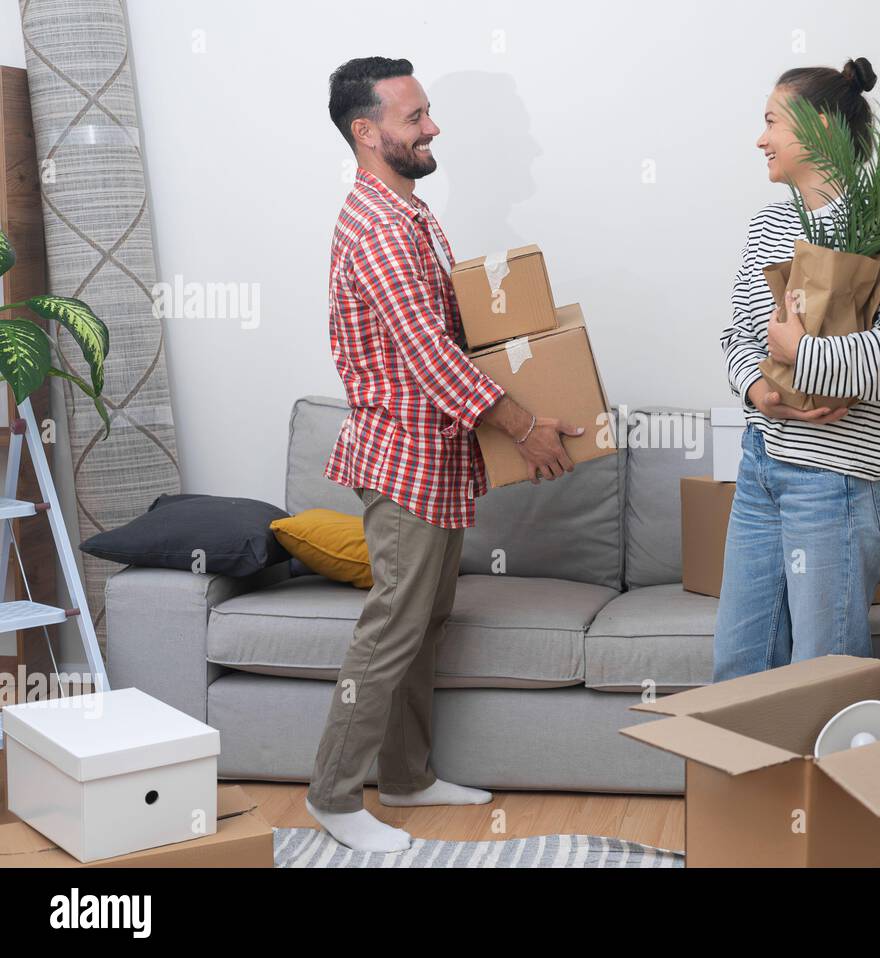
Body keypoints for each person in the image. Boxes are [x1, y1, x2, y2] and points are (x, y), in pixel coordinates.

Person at [305, 56, 581, 853]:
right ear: (368, 132)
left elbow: (452, 334)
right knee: (392, 628)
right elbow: (430, 356)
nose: (432, 128)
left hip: (437, 457)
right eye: (415, 116)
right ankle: (333, 795)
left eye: (428, 112)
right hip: (403, 461)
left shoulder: (412, 215)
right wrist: (524, 425)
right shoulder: (384, 228)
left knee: (425, 624)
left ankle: (407, 776)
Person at [713, 56, 880, 682]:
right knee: (738, 663)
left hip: (834, 482)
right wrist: (759, 388)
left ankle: (826, 784)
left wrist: (802, 356)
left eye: (770, 123)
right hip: (761, 468)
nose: (760, 139)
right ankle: (743, 784)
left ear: (815, 128)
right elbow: (736, 333)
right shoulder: (768, 224)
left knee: (823, 674)